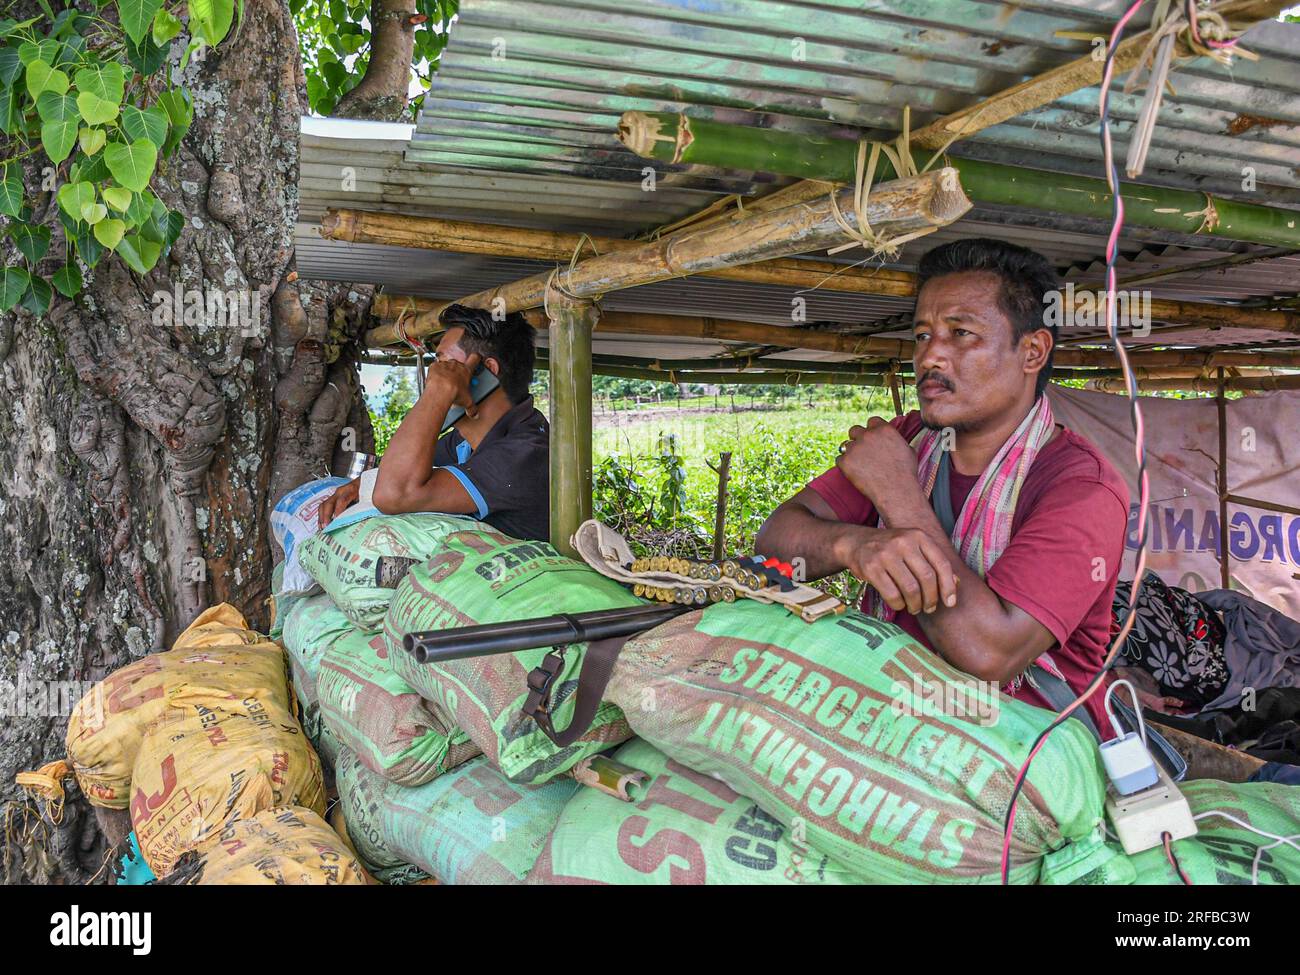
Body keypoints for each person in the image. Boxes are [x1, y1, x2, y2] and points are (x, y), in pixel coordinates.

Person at [755, 238, 1129, 735]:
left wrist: (897, 496)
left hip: (1026, 743)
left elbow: (990, 654)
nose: (930, 356)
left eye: (960, 334)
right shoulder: (908, 440)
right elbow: (773, 545)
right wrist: (855, 544)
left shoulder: (1081, 488)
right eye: (922, 335)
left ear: (1032, 352)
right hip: (901, 716)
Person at [318, 304, 550, 541]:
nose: (433, 376)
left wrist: (440, 392)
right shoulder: (464, 440)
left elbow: (393, 494)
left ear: (486, 371)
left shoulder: (523, 455)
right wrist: (359, 485)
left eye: (443, 364)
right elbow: (402, 469)